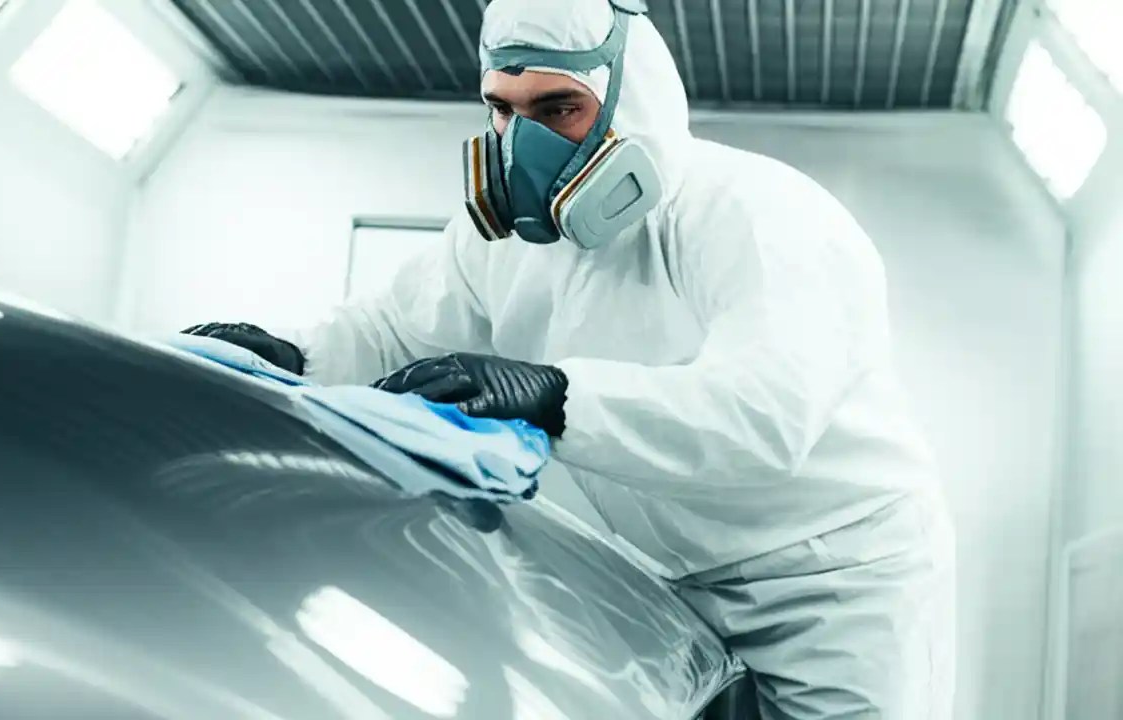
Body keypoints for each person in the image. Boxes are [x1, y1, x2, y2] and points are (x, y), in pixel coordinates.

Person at [183, 0, 956, 717]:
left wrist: (556, 397)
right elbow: (393, 329)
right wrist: (295, 355)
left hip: (832, 585)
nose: (523, 142)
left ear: (631, 106)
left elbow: (765, 414)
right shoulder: (499, 241)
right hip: (667, 579)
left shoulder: (759, 213)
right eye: (503, 108)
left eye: (557, 109)